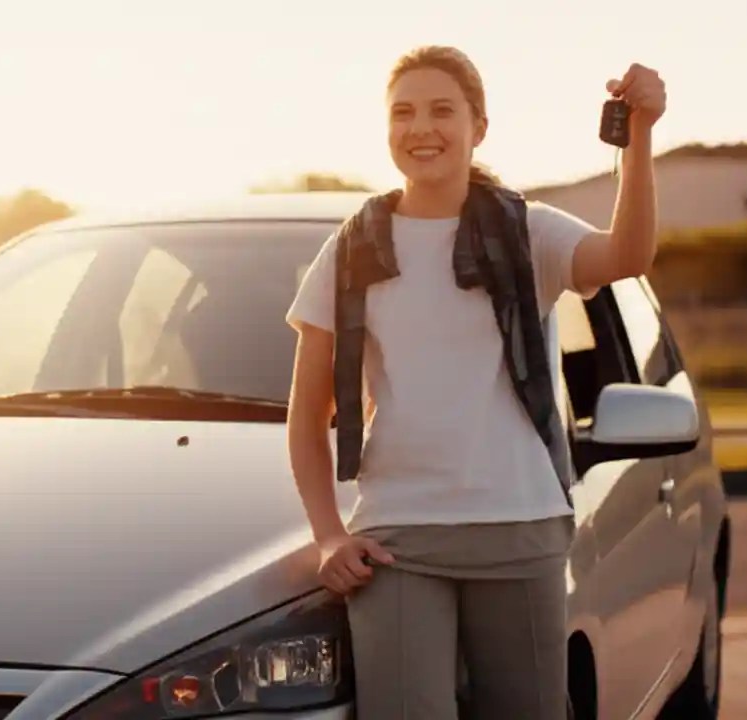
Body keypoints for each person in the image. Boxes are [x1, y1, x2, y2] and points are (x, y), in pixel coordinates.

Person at [284, 45, 665, 719]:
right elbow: (307, 415)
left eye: (441, 110)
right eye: (402, 112)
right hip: (397, 540)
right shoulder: (351, 247)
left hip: (520, 527)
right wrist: (329, 536)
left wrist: (639, 137)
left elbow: (627, 254)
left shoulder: (528, 232)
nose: (420, 128)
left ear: (478, 126)